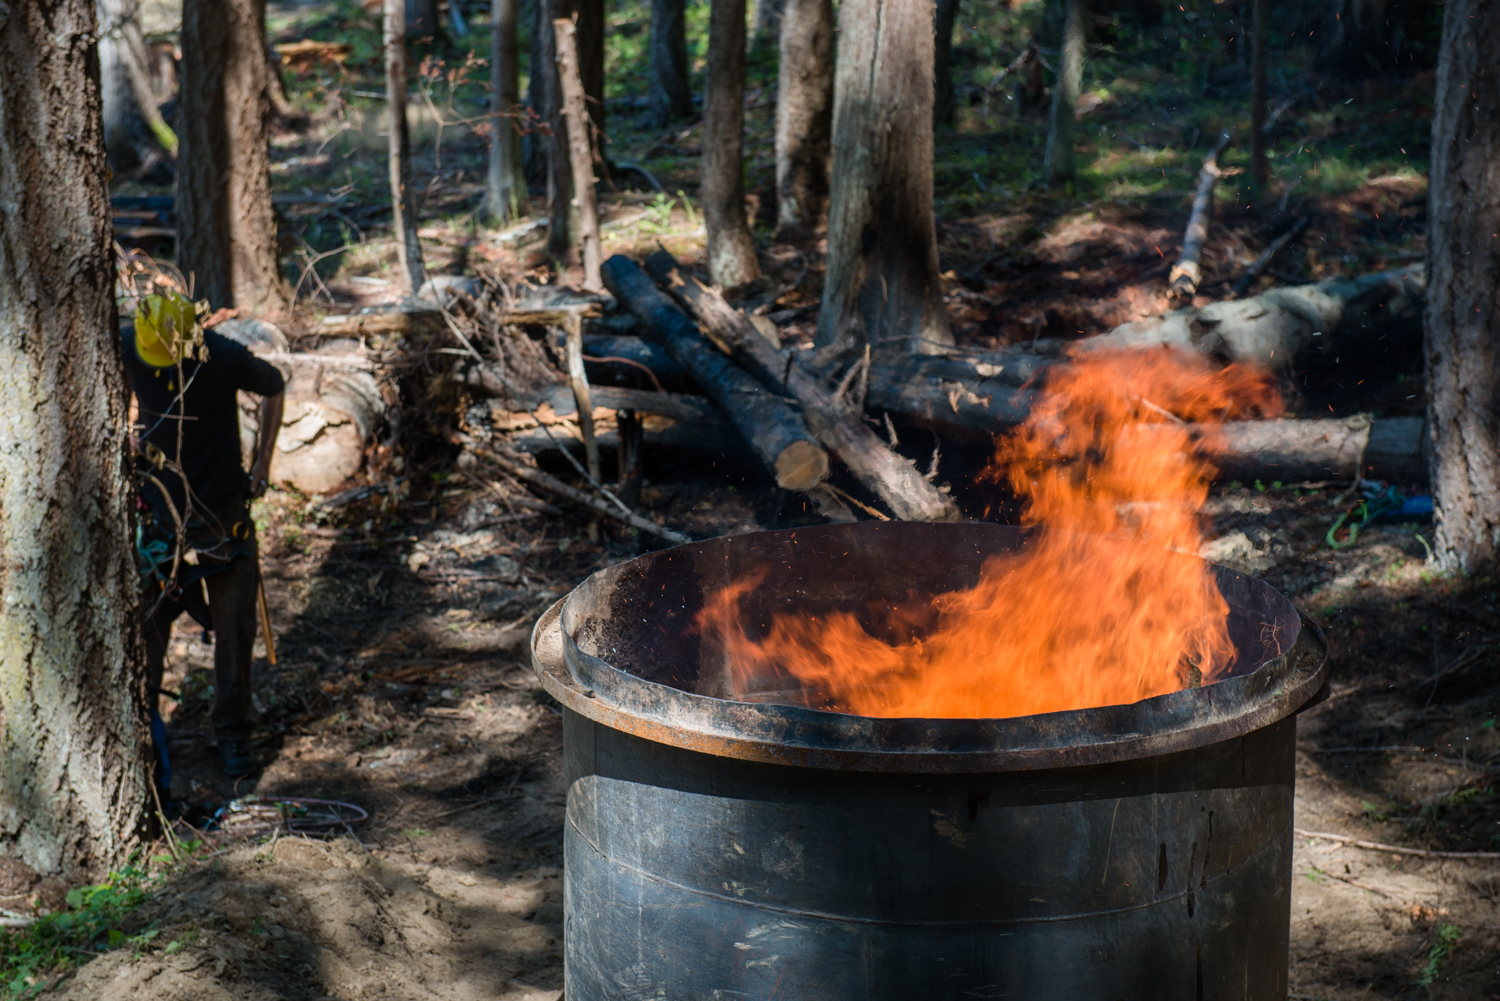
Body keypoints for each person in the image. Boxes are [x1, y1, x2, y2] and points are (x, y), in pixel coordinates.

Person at [122, 292, 286, 779]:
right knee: (147, 631)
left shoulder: (220, 355)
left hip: (222, 517)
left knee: (234, 631)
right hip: (158, 520)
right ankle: (144, 734)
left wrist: (262, 463)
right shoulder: (132, 343)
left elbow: (274, 384)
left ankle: (233, 734)